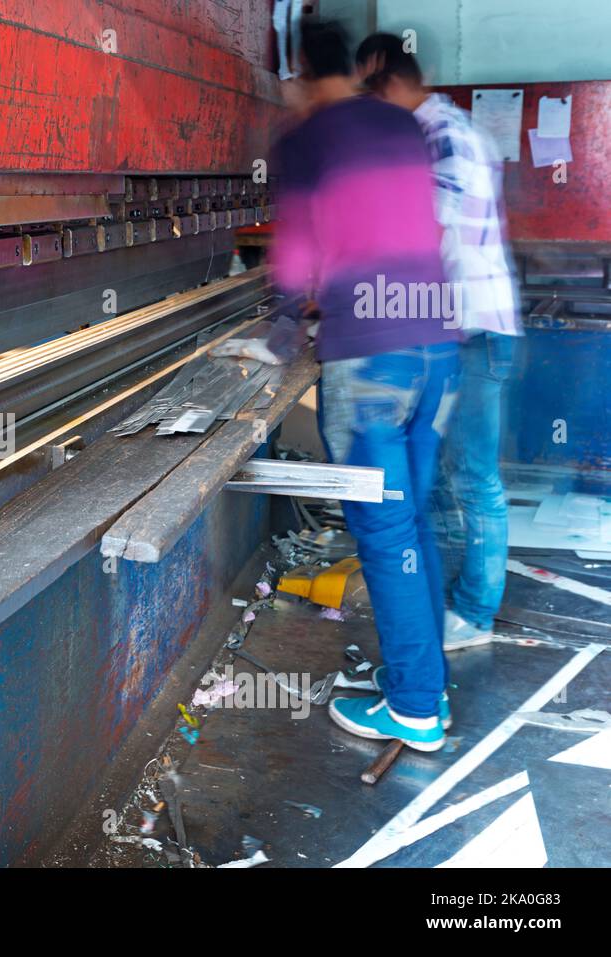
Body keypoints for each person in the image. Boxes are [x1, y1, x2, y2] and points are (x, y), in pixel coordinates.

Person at [270, 21, 460, 751]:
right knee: (412, 521)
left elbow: (294, 248)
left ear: (300, 74)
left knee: (385, 533)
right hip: (435, 351)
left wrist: (283, 327)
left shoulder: (306, 139)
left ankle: (416, 707)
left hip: (374, 362)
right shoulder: (400, 124)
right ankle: (423, 680)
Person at [356, 34, 522, 652]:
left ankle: (475, 615)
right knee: (455, 475)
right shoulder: (448, 129)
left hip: (475, 329)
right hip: (460, 325)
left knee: (474, 476)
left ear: (391, 85)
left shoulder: (442, 136)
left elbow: (427, 230)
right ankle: (457, 601)